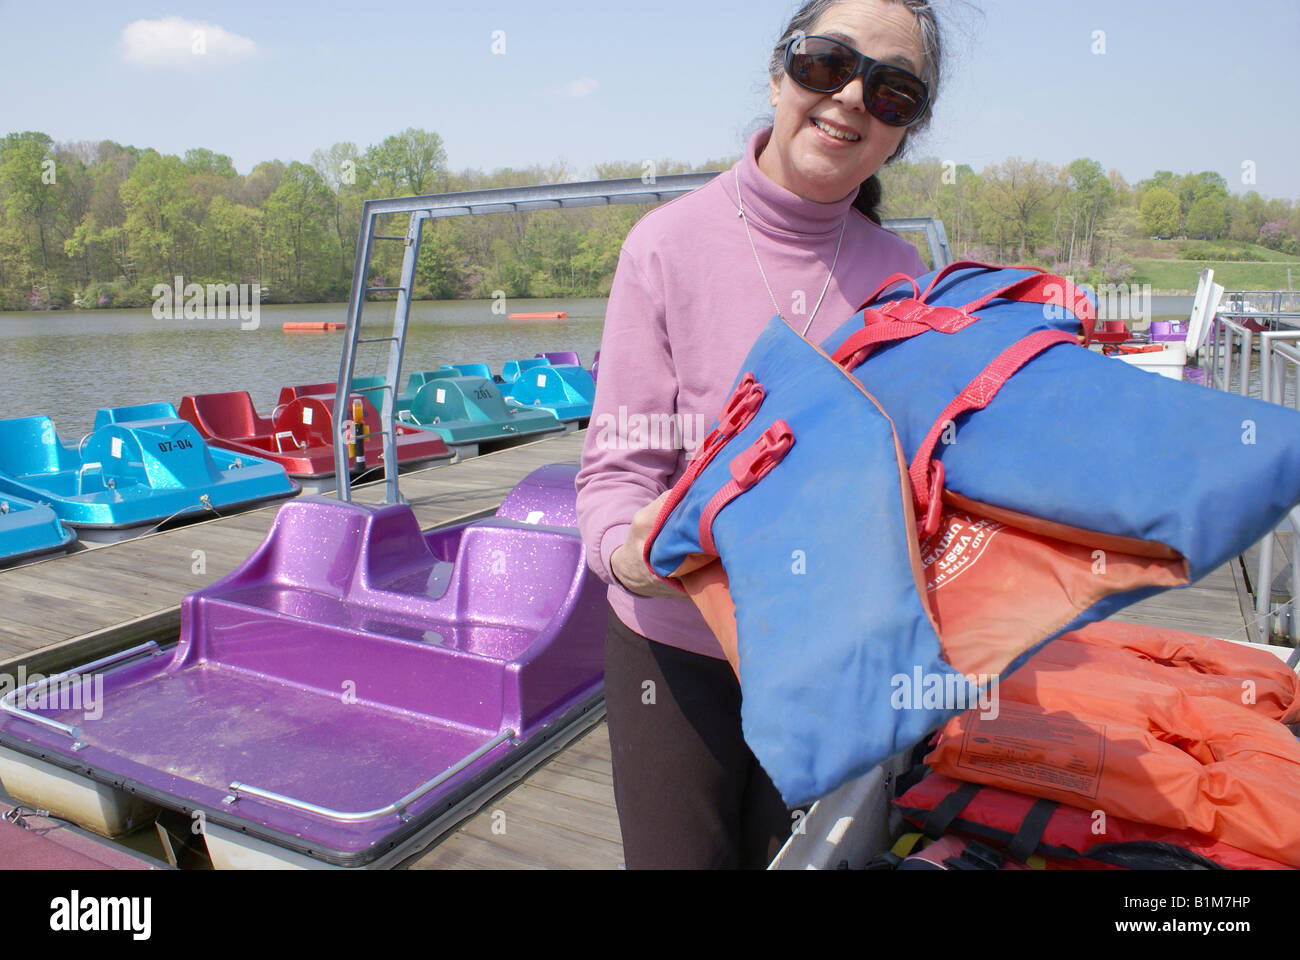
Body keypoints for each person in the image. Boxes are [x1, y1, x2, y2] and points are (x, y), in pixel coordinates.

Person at [575, 0, 943, 869]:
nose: (851, 98)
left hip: (827, 664)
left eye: (893, 92)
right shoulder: (664, 246)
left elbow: (911, 480)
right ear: (780, 73)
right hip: (675, 652)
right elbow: (617, 473)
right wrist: (628, 556)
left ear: (903, 132)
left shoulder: (903, 275)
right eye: (826, 64)